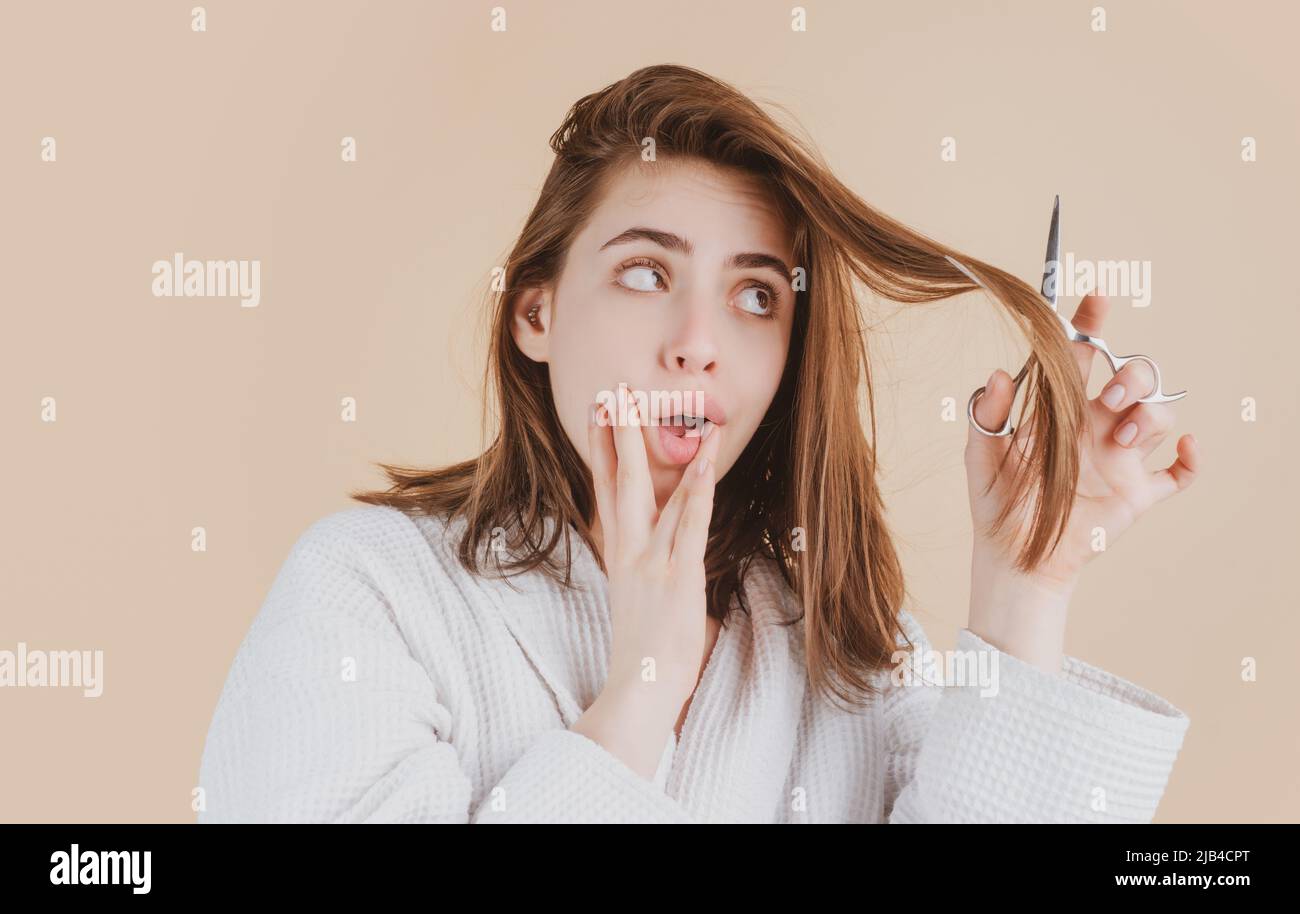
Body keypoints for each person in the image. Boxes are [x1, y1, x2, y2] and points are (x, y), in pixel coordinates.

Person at [196, 64, 1199, 823]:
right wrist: (640, 686)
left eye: (754, 294)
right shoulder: (368, 593)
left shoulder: (852, 645)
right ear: (533, 313)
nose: (698, 346)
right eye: (644, 273)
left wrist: (1028, 581)